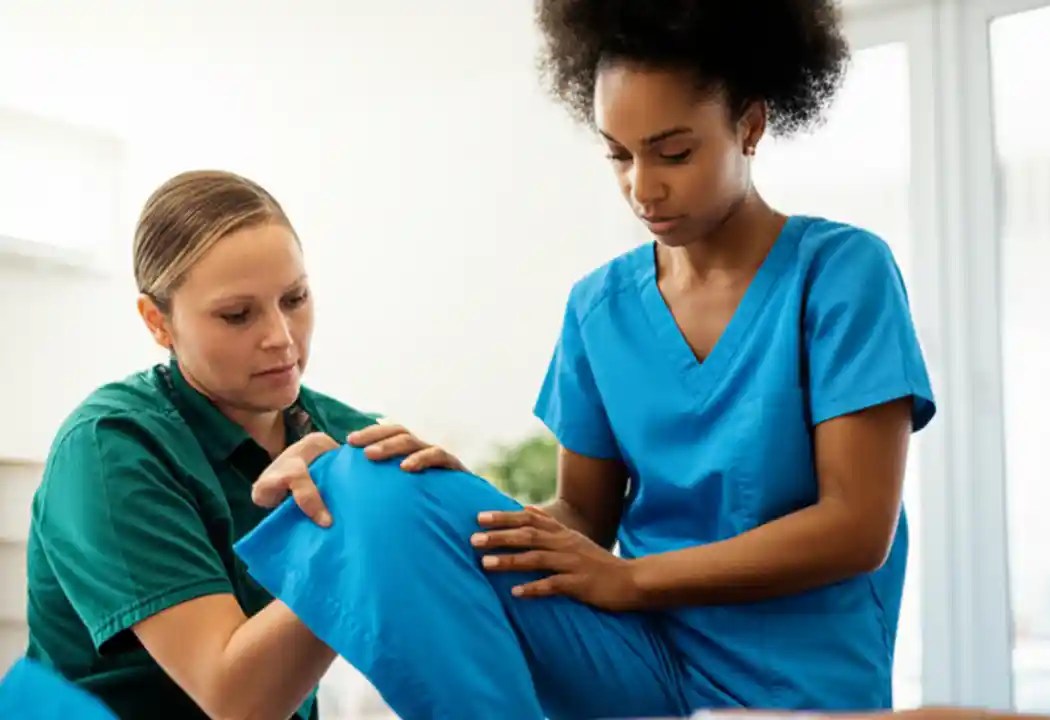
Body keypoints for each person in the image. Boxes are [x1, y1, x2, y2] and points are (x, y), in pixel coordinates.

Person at [232, 0, 933, 718]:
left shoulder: (844, 274)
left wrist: (632, 582)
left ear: (749, 125)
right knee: (369, 481)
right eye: (618, 154)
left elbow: (856, 529)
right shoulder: (600, 308)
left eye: (674, 152)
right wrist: (457, 502)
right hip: (641, 661)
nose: (642, 187)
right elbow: (582, 517)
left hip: (801, 685)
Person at [23, 169, 462, 720]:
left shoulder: (347, 436)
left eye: (295, 298)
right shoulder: (110, 450)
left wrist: (450, 514)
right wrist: (359, 521)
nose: (280, 336)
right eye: (238, 315)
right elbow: (238, 703)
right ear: (158, 321)